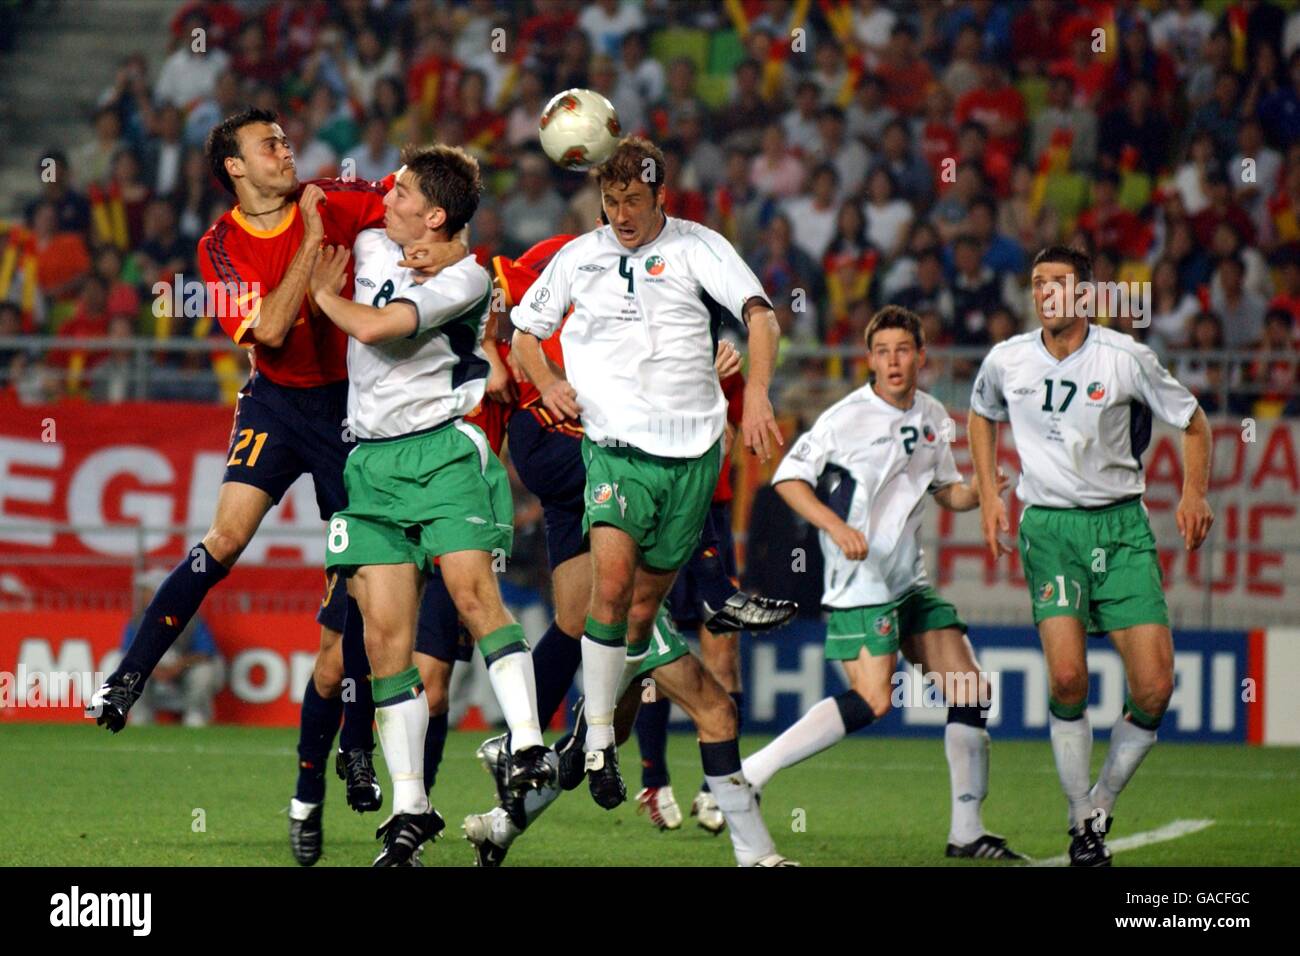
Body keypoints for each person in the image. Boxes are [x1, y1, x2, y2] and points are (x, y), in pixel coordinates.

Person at [88, 107, 466, 868]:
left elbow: (428, 206)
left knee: (364, 586)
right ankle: (127, 680)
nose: (286, 151)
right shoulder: (219, 247)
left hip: (349, 414)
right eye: (270, 145)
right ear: (235, 166)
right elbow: (267, 329)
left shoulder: (336, 195)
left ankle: (354, 752)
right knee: (223, 538)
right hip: (274, 400)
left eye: (287, 140)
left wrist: (440, 257)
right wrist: (314, 246)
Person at [509, 135, 783, 837]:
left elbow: (761, 315)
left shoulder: (699, 248)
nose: (621, 213)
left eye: (633, 199)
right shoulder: (580, 255)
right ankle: (600, 741)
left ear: (663, 196)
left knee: (637, 617)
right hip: (614, 452)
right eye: (610, 200)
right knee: (608, 587)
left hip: (691, 462)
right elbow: (523, 333)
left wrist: (755, 395)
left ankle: (589, 739)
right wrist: (547, 382)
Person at [307, 145, 550, 866]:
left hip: (443, 452)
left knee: (476, 597)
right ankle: (411, 806)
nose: (390, 196)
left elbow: (378, 328)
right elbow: (330, 197)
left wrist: (323, 297)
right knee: (386, 643)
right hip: (371, 464)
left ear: (435, 215)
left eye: (404, 190)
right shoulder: (378, 239)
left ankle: (530, 745)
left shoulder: (468, 276)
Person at [741, 305, 1023, 861]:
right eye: (882, 351)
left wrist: (986, 492)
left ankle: (967, 831)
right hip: (859, 580)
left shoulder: (935, 413)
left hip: (905, 580)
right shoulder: (845, 418)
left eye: (903, 350)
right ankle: (747, 774)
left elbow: (946, 489)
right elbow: (787, 480)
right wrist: (836, 527)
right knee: (873, 700)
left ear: (921, 356)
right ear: (870, 359)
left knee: (969, 688)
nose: (893, 361)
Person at [967, 246, 1214, 866]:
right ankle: (1082, 827)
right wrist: (991, 495)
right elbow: (980, 413)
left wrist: (1193, 492)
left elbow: (1194, 421)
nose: (1046, 293)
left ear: (1084, 294)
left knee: (1155, 687)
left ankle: (1098, 804)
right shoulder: (1007, 359)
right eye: (1037, 283)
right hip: (1050, 530)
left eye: (1058, 283)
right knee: (1069, 677)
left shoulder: (1126, 358)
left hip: (1122, 528)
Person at [122, 569, 222, 727]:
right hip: (153, 671)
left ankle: (195, 715)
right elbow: (129, 653)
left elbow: (205, 652)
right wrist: (154, 669)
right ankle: (141, 716)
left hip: (184, 669)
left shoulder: (190, 618)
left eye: (146, 591)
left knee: (205, 671)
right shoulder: (138, 621)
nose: (142, 596)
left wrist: (177, 666)